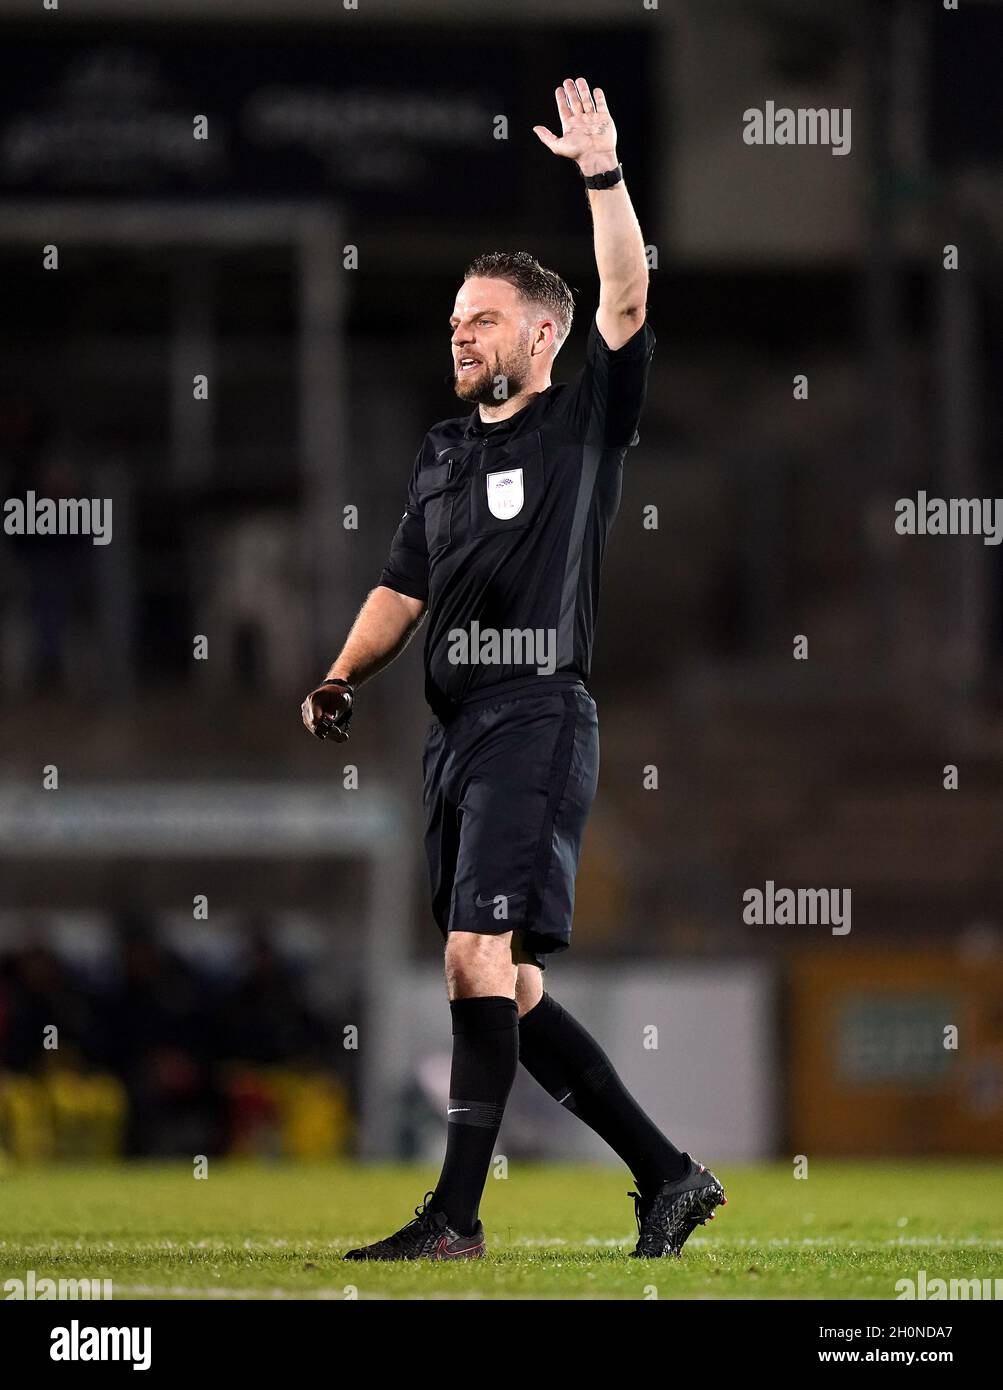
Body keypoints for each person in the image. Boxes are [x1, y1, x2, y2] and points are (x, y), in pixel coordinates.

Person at [301, 78, 726, 1260]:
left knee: (472, 956)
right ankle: (669, 1172)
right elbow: (401, 588)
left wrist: (602, 173)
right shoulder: (440, 453)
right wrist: (341, 673)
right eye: (453, 318)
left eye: (482, 318)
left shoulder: (582, 421)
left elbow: (630, 297)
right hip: (453, 733)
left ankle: (455, 1218)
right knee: (511, 989)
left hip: (537, 714)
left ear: (543, 335)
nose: (461, 333)